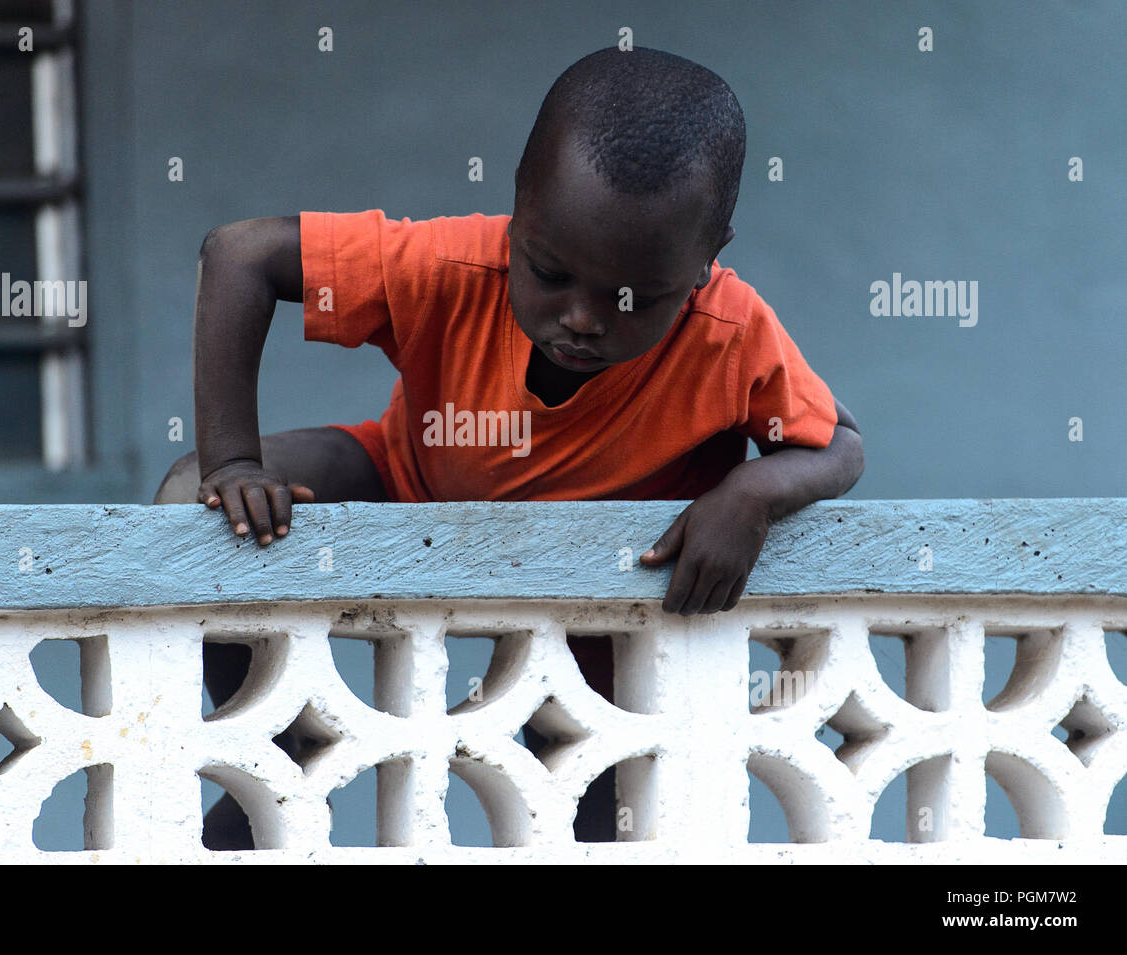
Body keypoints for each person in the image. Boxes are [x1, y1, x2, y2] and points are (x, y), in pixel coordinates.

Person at [156, 47, 864, 848]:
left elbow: (837, 443)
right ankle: (270, 739)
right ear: (517, 208)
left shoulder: (730, 335)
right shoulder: (452, 266)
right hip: (410, 476)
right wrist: (233, 463)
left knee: (602, 810)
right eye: (549, 270)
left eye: (633, 297)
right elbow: (239, 254)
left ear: (707, 258)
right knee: (192, 497)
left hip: (608, 597)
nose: (583, 318)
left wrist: (751, 493)